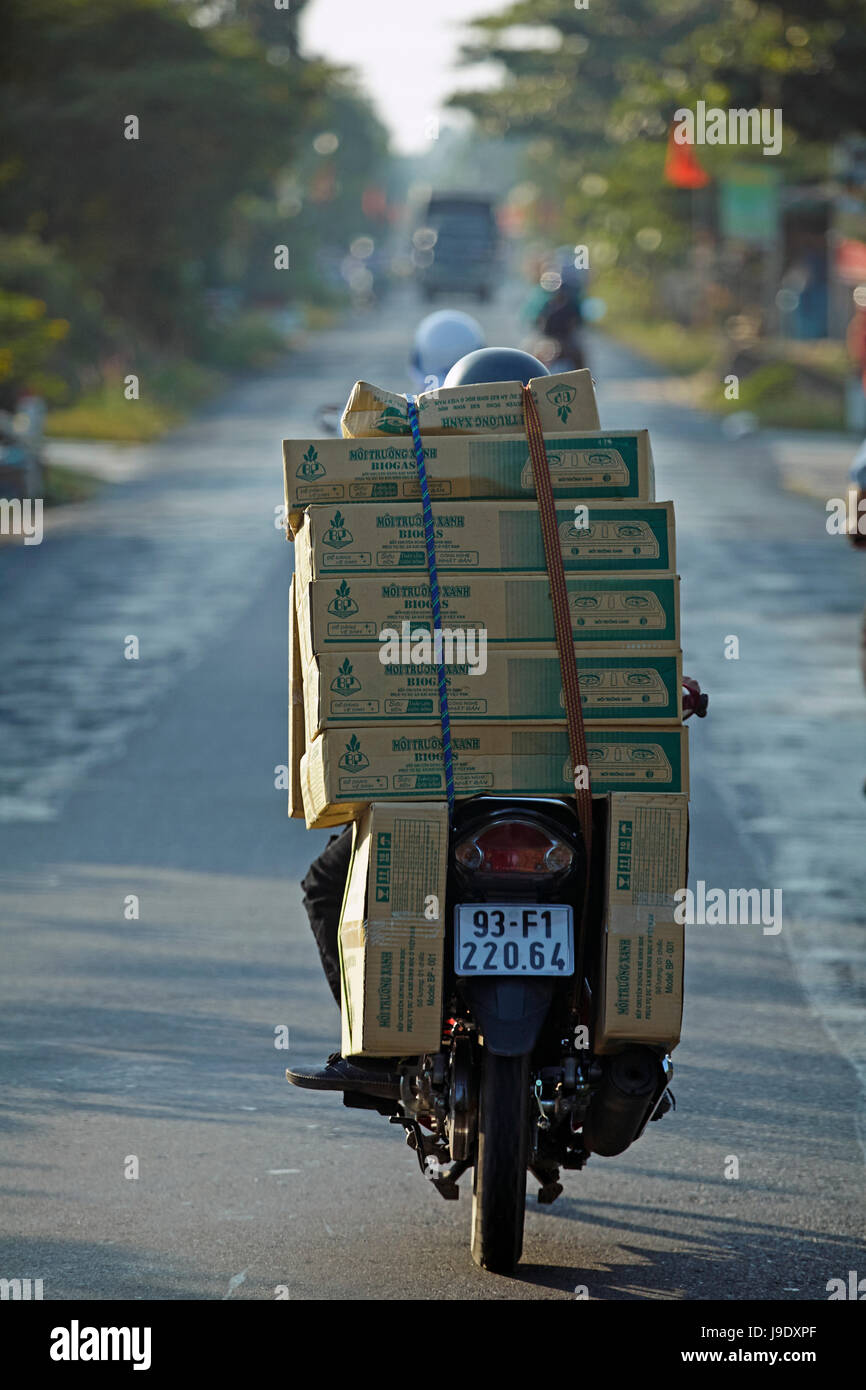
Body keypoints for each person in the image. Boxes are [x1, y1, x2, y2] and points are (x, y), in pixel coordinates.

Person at [287, 347, 551, 1099]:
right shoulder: (580, 504)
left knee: (324, 886)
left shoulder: (422, 503)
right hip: (566, 782)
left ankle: (379, 1048)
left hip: (441, 778)